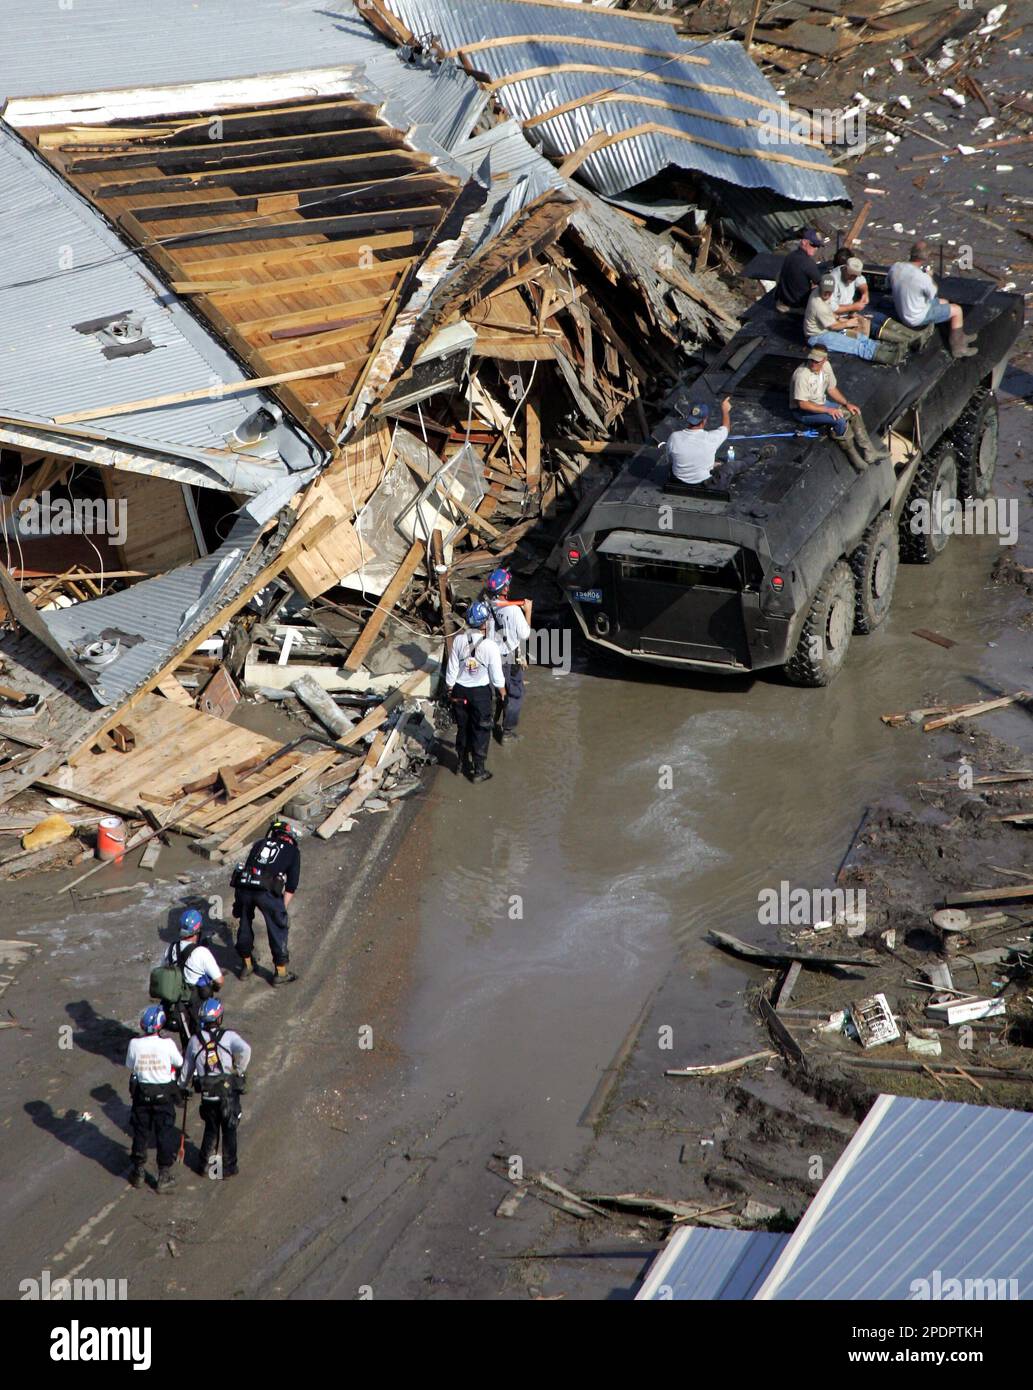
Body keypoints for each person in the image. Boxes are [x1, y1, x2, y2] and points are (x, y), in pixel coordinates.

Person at [180, 998, 251, 1179]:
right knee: (229, 1128)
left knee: (211, 1128)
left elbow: (187, 1068)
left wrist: (182, 1086)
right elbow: (246, 1050)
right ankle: (226, 1169)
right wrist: (239, 1071)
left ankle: (207, 1166)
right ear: (219, 1018)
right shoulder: (229, 1036)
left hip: (207, 1094)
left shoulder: (195, 1041)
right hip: (227, 1092)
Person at [790, 346, 888, 471]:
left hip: (821, 403)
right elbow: (802, 404)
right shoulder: (802, 375)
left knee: (854, 413)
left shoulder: (826, 367)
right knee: (839, 420)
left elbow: (831, 389)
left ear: (825, 359)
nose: (813, 363)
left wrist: (847, 403)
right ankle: (853, 456)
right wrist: (828, 410)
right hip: (803, 412)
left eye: (817, 361)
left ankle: (870, 452)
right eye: (811, 360)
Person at [231, 819, 301, 986]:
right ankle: (280, 974)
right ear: (289, 837)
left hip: (245, 888)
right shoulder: (293, 851)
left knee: (245, 926)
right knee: (278, 929)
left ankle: (246, 966)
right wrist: (281, 911)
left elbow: (247, 869)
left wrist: (238, 904)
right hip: (267, 891)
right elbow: (291, 886)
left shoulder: (260, 843)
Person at [445, 600, 506, 783]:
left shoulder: (458, 640)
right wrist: (502, 692)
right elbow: (496, 676)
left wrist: (449, 688)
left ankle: (461, 763)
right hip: (480, 695)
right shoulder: (490, 646)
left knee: (463, 727)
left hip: (459, 691)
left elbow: (452, 668)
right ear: (485, 623)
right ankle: (479, 770)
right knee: (481, 729)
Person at [125, 1005, 183, 1193]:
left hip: (142, 1094)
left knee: (140, 1131)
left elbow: (129, 1065)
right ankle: (163, 1175)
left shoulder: (134, 1044)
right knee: (164, 1133)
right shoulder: (167, 1044)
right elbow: (179, 1062)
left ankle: (139, 1171)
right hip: (164, 1095)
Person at [888, 242, 976, 359]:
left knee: (944, 302)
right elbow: (933, 292)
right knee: (957, 310)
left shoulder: (896, 267)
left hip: (904, 309)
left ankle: (959, 335)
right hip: (915, 318)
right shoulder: (922, 278)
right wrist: (929, 277)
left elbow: (888, 283)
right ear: (925, 258)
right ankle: (958, 349)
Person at [152, 908, 223, 1048]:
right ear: (197, 930)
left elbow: (164, 969)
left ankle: (188, 1064)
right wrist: (214, 987)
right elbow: (220, 980)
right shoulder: (202, 952)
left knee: (187, 1042)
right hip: (198, 1003)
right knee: (204, 1041)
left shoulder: (170, 949)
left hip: (178, 1005)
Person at [803, 275, 905, 363]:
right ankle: (888, 357)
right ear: (820, 288)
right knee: (855, 346)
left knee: (861, 338)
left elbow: (830, 311)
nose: (827, 294)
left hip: (826, 326)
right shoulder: (818, 305)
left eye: (829, 292)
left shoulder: (820, 292)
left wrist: (838, 317)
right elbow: (833, 326)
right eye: (825, 292)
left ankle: (886, 348)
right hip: (817, 336)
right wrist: (848, 323)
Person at [484, 568, 532, 743]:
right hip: (509, 656)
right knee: (515, 693)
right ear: (504, 589)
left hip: (492, 655)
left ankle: (488, 723)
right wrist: (528, 611)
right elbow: (525, 634)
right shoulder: (513, 611)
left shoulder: (489, 605)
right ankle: (507, 732)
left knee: (496, 690)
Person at [665, 398, 732, 484]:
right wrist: (725, 410)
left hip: (678, 480)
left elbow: (670, 458)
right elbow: (726, 428)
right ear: (704, 420)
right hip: (702, 482)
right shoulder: (711, 438)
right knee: (730, 467)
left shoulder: (674, 437)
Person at [774, 228, 825, 312]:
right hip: (797, 306)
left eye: (818, 246)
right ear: (804, 242)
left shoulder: (790, 256)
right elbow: (822, 284)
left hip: (782, 302)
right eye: (813, 245)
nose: (816, 248)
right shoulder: (808, 263)